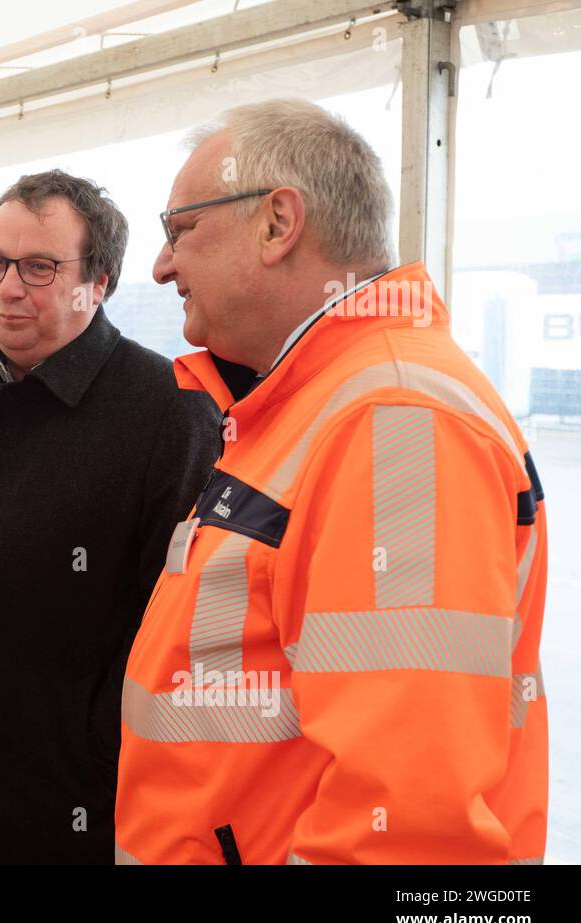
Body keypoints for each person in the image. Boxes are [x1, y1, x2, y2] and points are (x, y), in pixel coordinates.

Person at [115, 99, 548, 865]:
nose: (161, 265)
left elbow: (408, 829)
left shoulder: (394, 419)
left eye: (179, 230)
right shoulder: (314, 402)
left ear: (279, 223)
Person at [0, 170, 221, 863]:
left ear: (101, 280)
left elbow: (173, 631)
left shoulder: (170, 410)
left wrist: (100, 755)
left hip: (72, 806)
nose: (6, 289)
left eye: (38, 268)